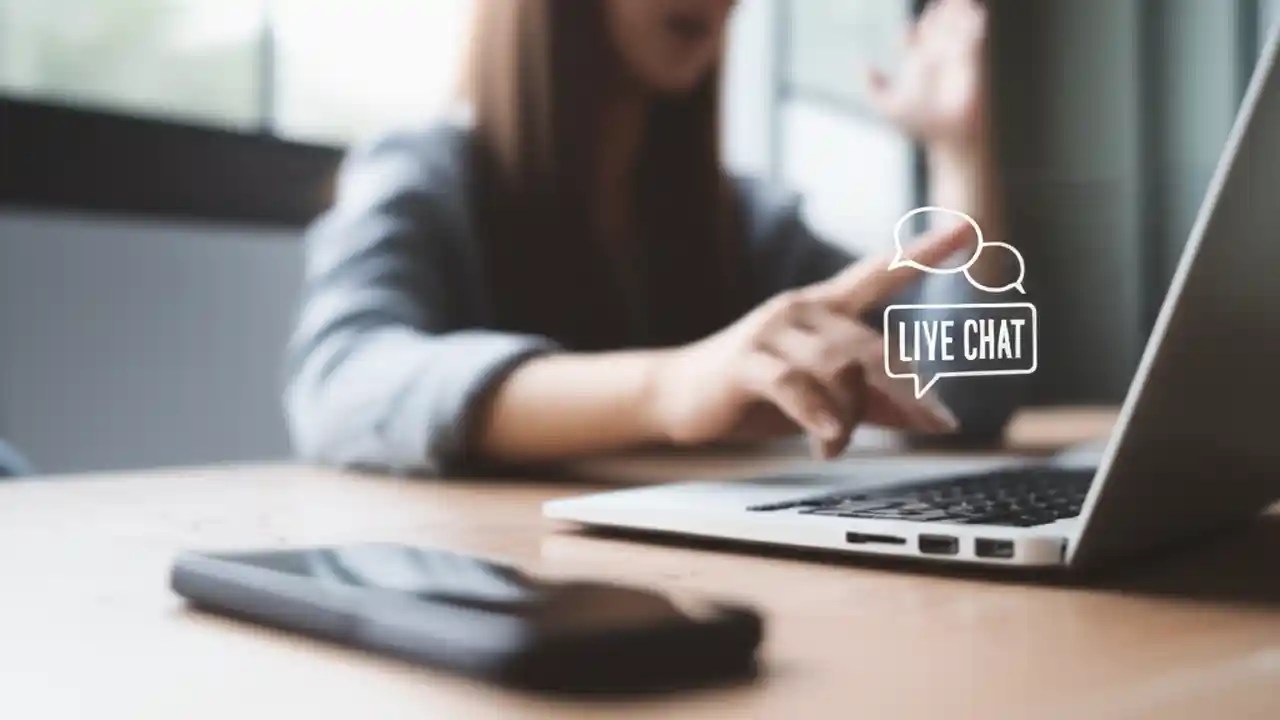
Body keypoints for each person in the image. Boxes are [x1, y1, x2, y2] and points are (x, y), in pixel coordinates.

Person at [284, 0, 1019, 475]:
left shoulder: (746, 224)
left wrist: (961, 154)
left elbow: (955, 400)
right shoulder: (423, 174)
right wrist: (673, 386)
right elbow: (339, 384)